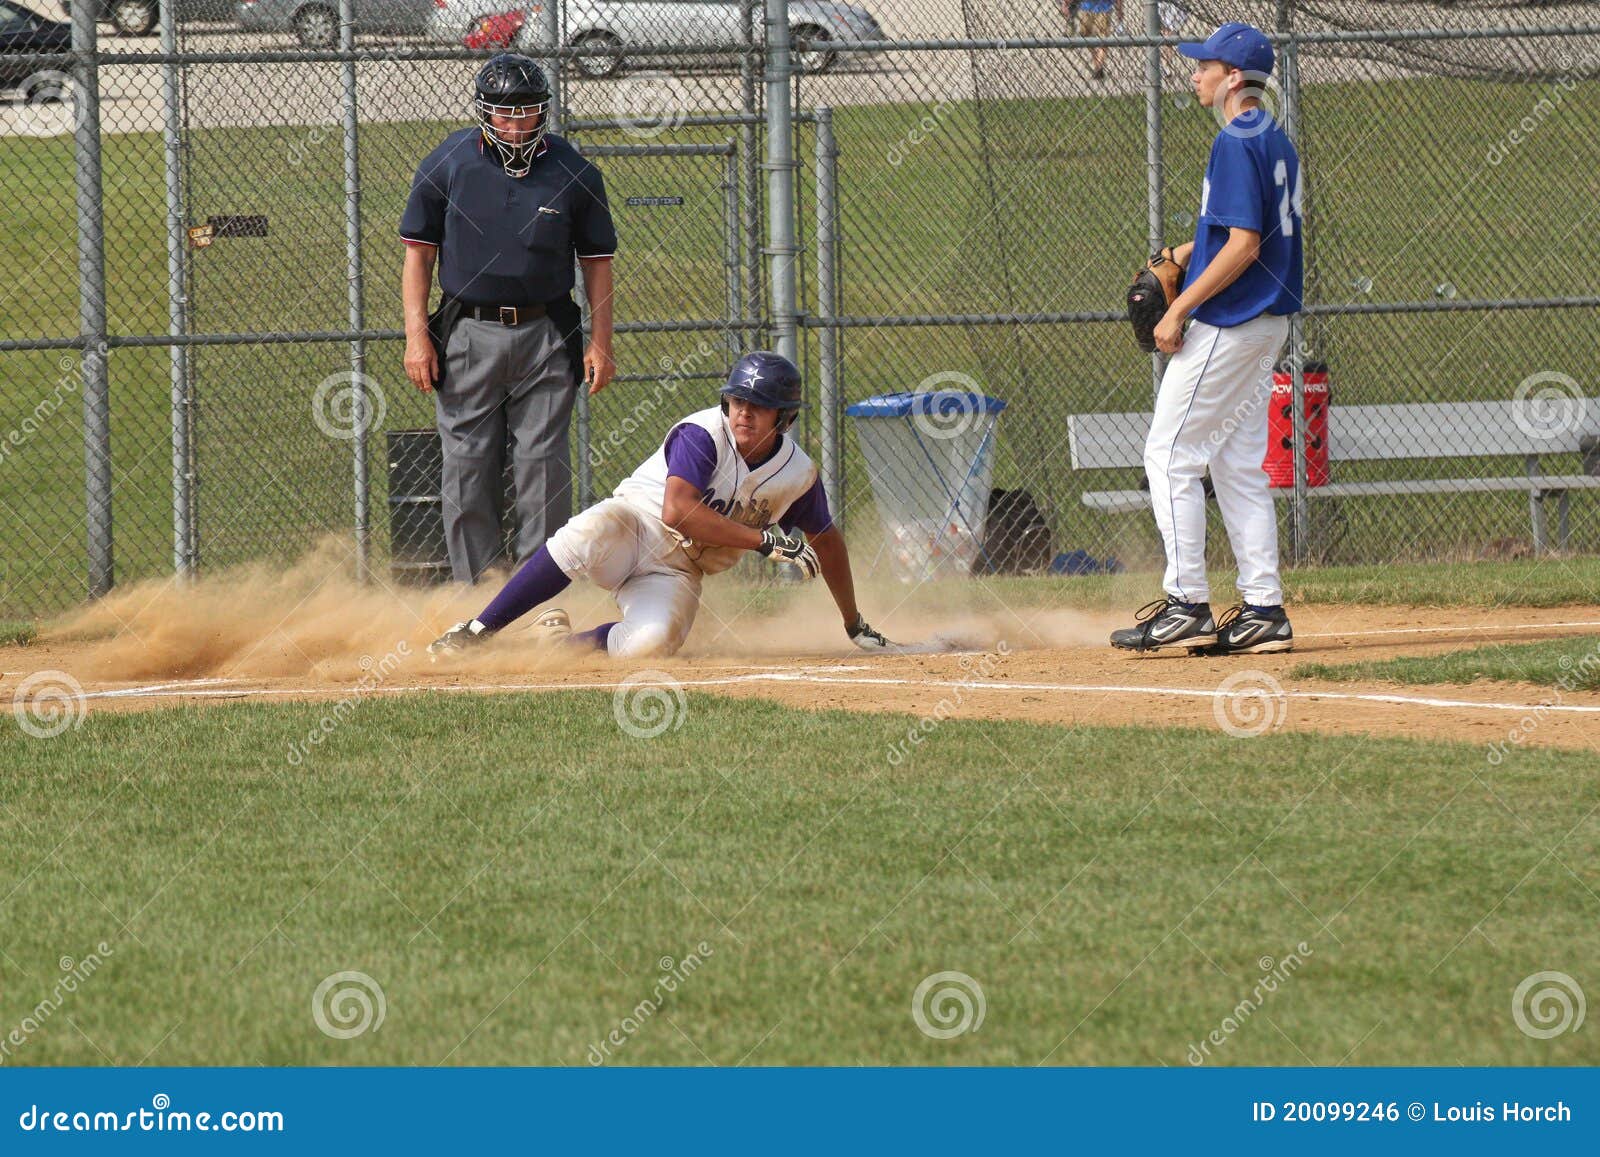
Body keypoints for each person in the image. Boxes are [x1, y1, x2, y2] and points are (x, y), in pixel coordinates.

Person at [428, 352, 896, 660]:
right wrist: (764, 540)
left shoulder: (796, 474)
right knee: (590, 532)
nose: (743, 412)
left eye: (760, 405)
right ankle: (475, 631)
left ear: (786, 417)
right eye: (736, 400)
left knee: (652, 646)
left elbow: (827, 541)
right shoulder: (703, 434)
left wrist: (853, 622)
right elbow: (678, 512)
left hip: (678, 571)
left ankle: (545, 649)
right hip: (637, 527)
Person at [1110, 22, 1303, 656]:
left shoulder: (1234, 141)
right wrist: (1185, 252)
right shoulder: (1271, 137)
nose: (1194, 74)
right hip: (1266, 321)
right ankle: (1263, 611)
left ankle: (1187, 601)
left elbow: (1246, 247)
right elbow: (1247, 235)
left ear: (1235, 78)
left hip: (1233, 320)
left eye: (1205, 66)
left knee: (1169, 456)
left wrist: (1179, 308)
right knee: (1236, 466)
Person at [400, 53, 617, 584]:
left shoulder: (572, 170)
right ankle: (478, 594)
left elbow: (597, 264)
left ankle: (535, 593)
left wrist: (601, 343)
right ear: (484, 113)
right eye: (503, 113)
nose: (516, 124)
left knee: (543, 469)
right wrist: (416, 338)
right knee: (468, 466)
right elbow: (418, 257)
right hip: (467, 334)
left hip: (546, 333)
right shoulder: (448, 162)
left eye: (527, 112)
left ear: (544, 112)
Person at [1064, 0, 1123, 79]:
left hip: (1088, 8)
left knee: (1089, 39)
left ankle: (1098, 66)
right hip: (1100, 8)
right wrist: (1119, 10)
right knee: (1102, 40)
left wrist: (1066, 4)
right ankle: (1098, 66)